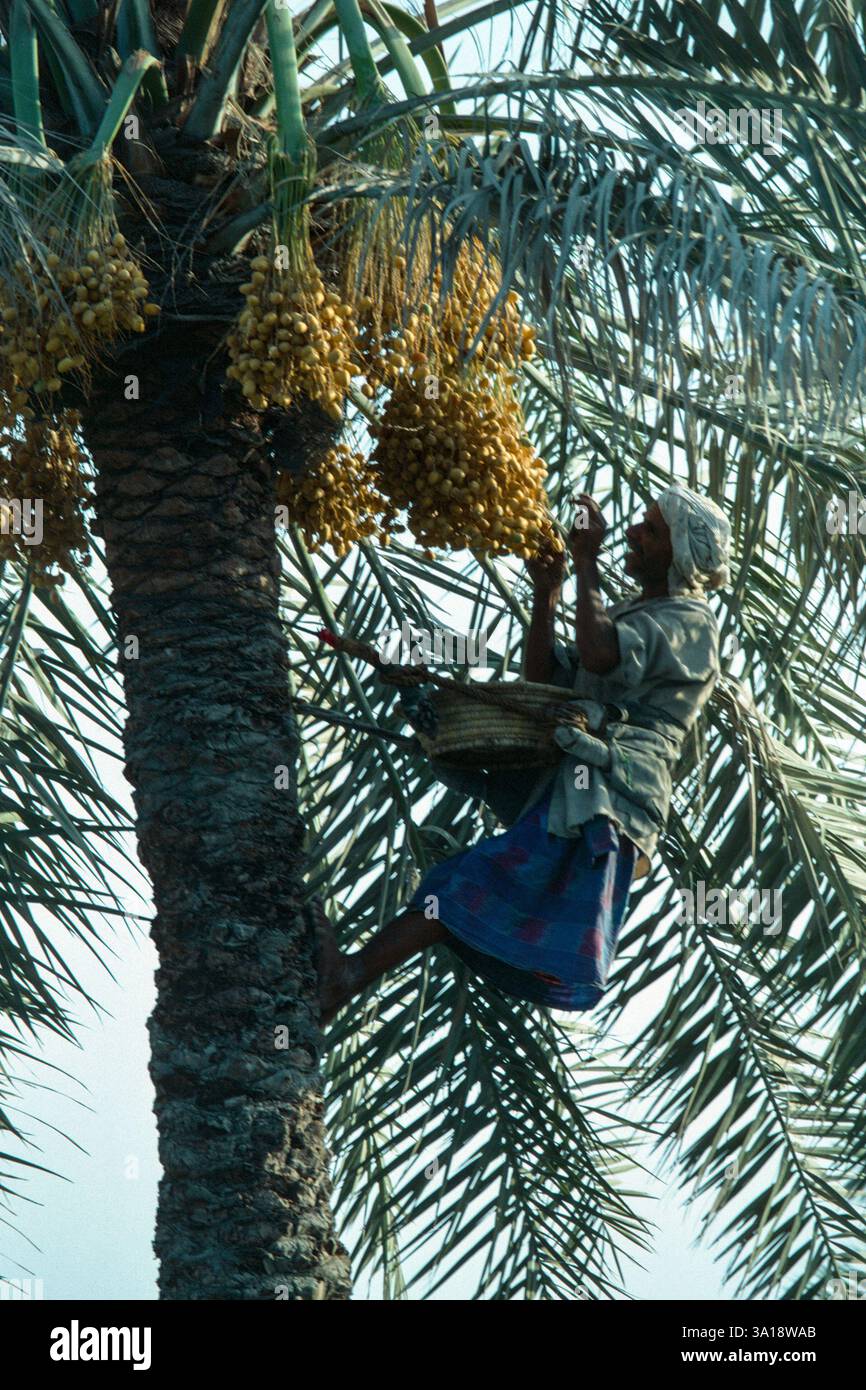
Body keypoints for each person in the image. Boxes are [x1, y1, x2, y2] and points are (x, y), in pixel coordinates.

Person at [313, 484, 732, 1024]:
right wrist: (548, 592)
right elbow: (546, 677)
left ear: (681, 555)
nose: (632, 533)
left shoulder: (691, 622)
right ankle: (342, 983)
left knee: (463, 886)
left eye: (651, 530)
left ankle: (342, 983)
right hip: (577, 793)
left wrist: (585, 562)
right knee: (456, 887)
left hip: (609, 802)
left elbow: (600, 656)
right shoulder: (635, 614)